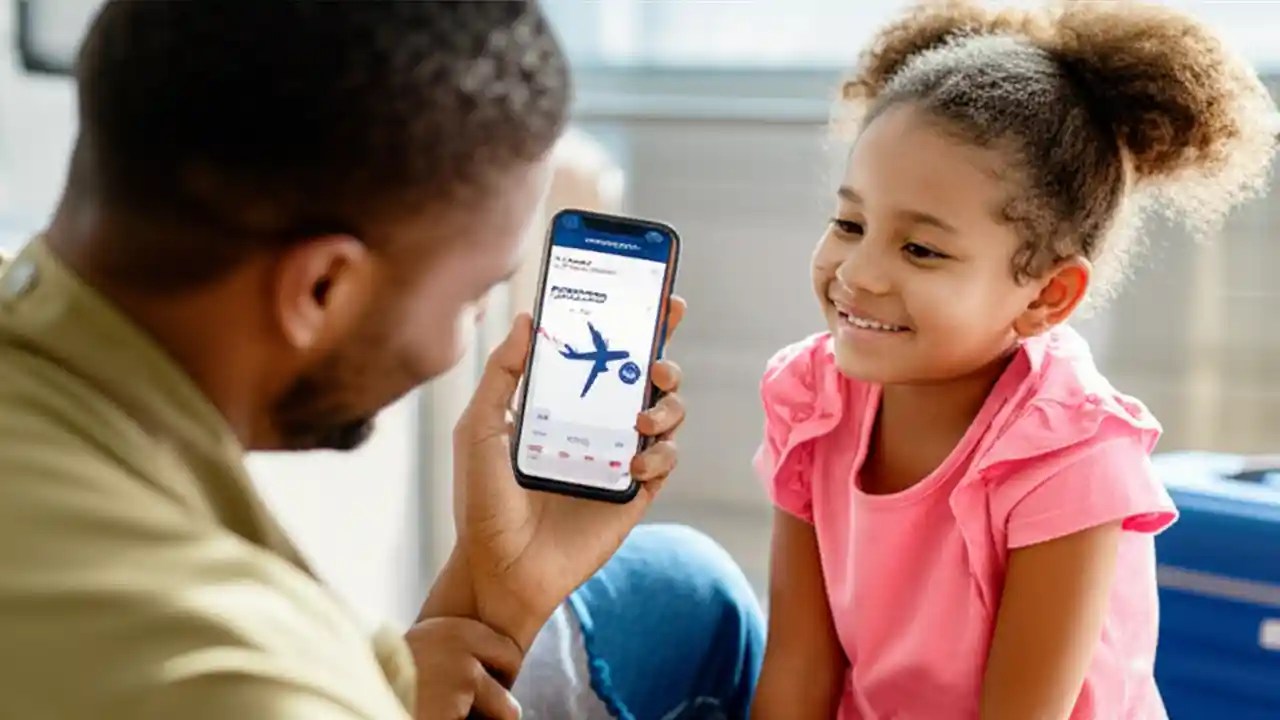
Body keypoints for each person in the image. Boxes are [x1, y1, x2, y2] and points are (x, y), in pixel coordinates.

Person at [0, 3, 763, 719]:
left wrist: (495, 594)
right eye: (473, 300)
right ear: (323, 286)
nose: (461, 343)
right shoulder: (242, 677)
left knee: (682, 587)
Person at [748, 2, 1277, 719]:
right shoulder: (813, 400)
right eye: (850, 223)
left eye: (921, 249)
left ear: (1048, 296)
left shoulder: (1071, 458)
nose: (859, 274)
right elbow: (799, 669)